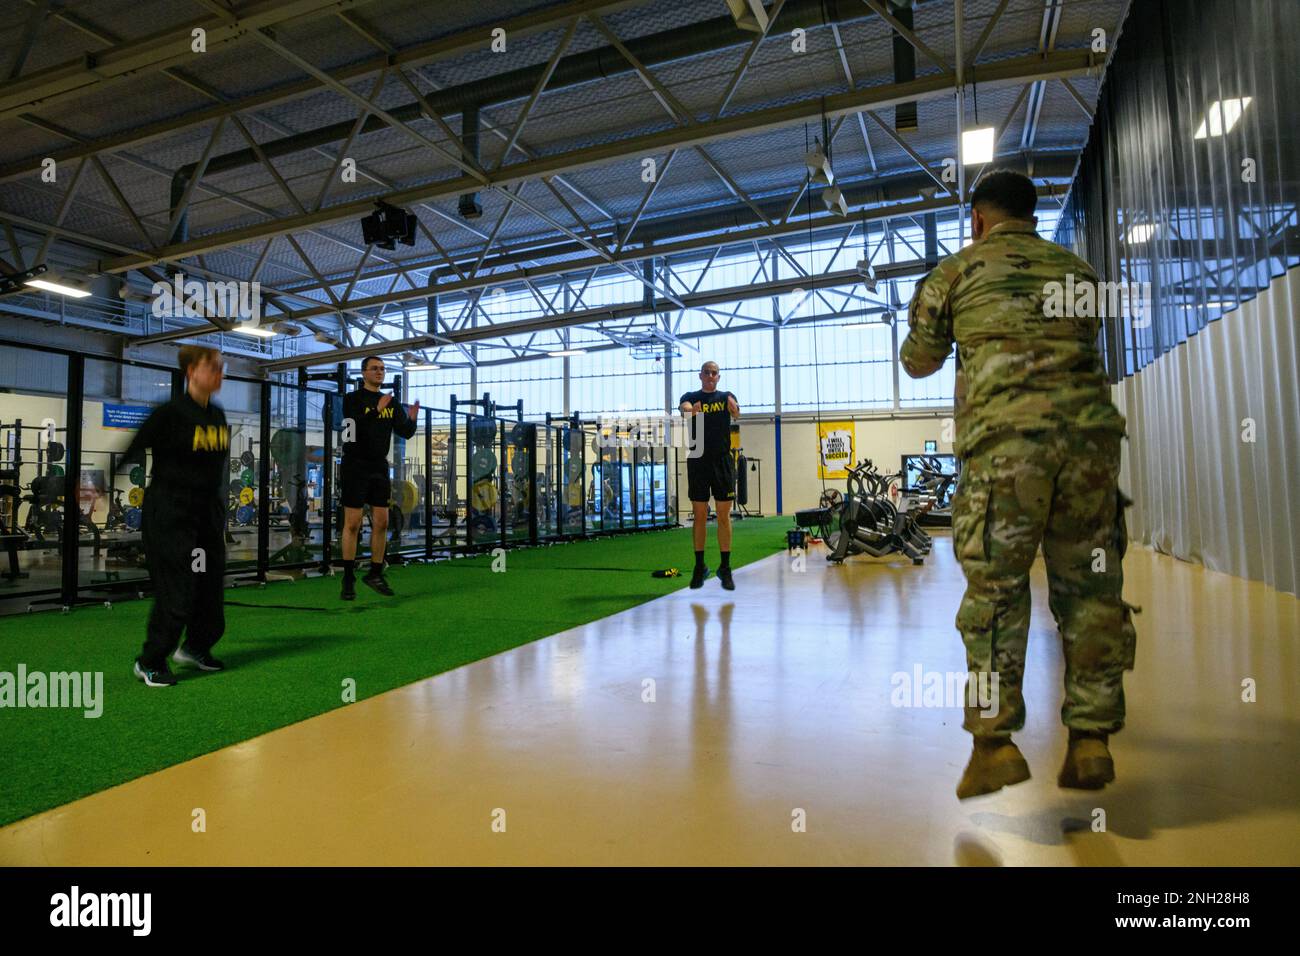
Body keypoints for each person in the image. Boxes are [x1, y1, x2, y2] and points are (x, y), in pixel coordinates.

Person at [900, 169, 1135, 799]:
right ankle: (1089, 740)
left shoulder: (956, 272)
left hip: (1005, 458)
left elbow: (918, 362)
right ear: (1032, 215)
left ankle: (994, 744)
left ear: (978, 219)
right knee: (1091, 591)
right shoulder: (1080, 275)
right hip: (1089, 451)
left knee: (996, 596)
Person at [122, 345, 230, 687]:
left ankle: (196, 647)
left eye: (220, 368)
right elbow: (133, 447)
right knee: (177, 589)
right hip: (171, 513)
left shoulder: (217, 416)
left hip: (205, 515)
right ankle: (150, 660)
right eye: (212, 367)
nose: (219, 373)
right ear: (192, 372)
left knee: (210, 585)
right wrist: (92, 484)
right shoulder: (170, 413)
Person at [338, 355, 418, 599]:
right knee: (352, 523)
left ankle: (375, 572)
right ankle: (348, 576)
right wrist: (376, 410)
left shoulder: (391, 403)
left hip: (379, 467)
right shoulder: (352, 400)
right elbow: (350, 433)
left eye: (382, 369)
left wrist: (413, 417)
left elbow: (406, 432)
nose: (379, 372)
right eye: (374, 369)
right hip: (355, 465)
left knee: (382, 521)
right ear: (364, 373)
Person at [678, 361, 740, 590]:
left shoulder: (726, 396)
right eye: (707, 372)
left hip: (722, 460)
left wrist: (734, 408)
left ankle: (725, 567)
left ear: (718, 377)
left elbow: (737, 414)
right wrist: (690, 410)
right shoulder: (691, 396)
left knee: (724, 514)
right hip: (698, 459)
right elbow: (684, 408)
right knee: (700, 513)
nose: (710, 376)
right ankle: (699, 566)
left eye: (714, 373)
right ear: (700, 375)